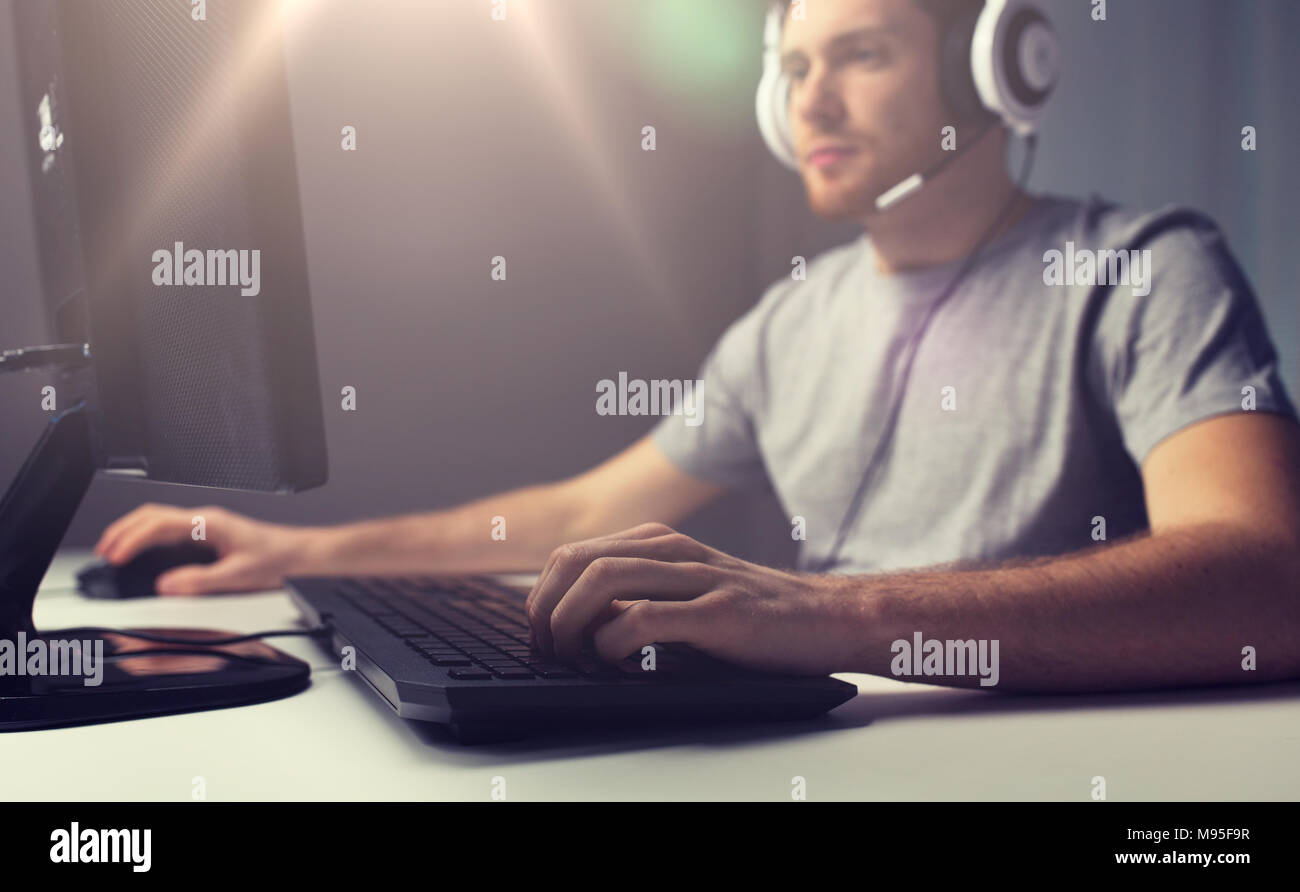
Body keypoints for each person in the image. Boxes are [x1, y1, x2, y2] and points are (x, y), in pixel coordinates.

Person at [93, 0, 1300, 692]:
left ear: (1000, 67)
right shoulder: (791, 318)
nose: (807, 105)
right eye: (789, 72)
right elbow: (578, 508)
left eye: (861, 55)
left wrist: (828, 613)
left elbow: (1266, 576)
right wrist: (298, 548)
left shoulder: (1145, 267)